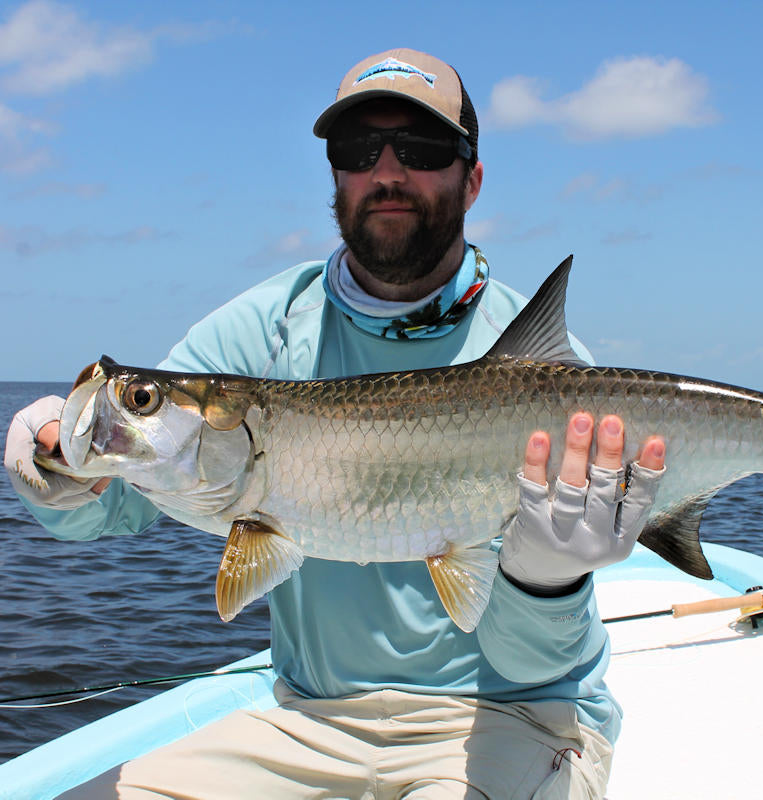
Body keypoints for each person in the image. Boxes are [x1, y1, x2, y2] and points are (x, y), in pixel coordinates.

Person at [5, 48, 666, 799]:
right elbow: (114, 501)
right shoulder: (257, 332)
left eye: (421, 150)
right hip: (308, 720)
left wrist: (549, 580)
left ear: (472, 179)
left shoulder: (549, 371)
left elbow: (537, 665)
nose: (387, 171)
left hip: (514, 715)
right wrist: (53, 456)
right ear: (336, 177)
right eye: (358, 150)